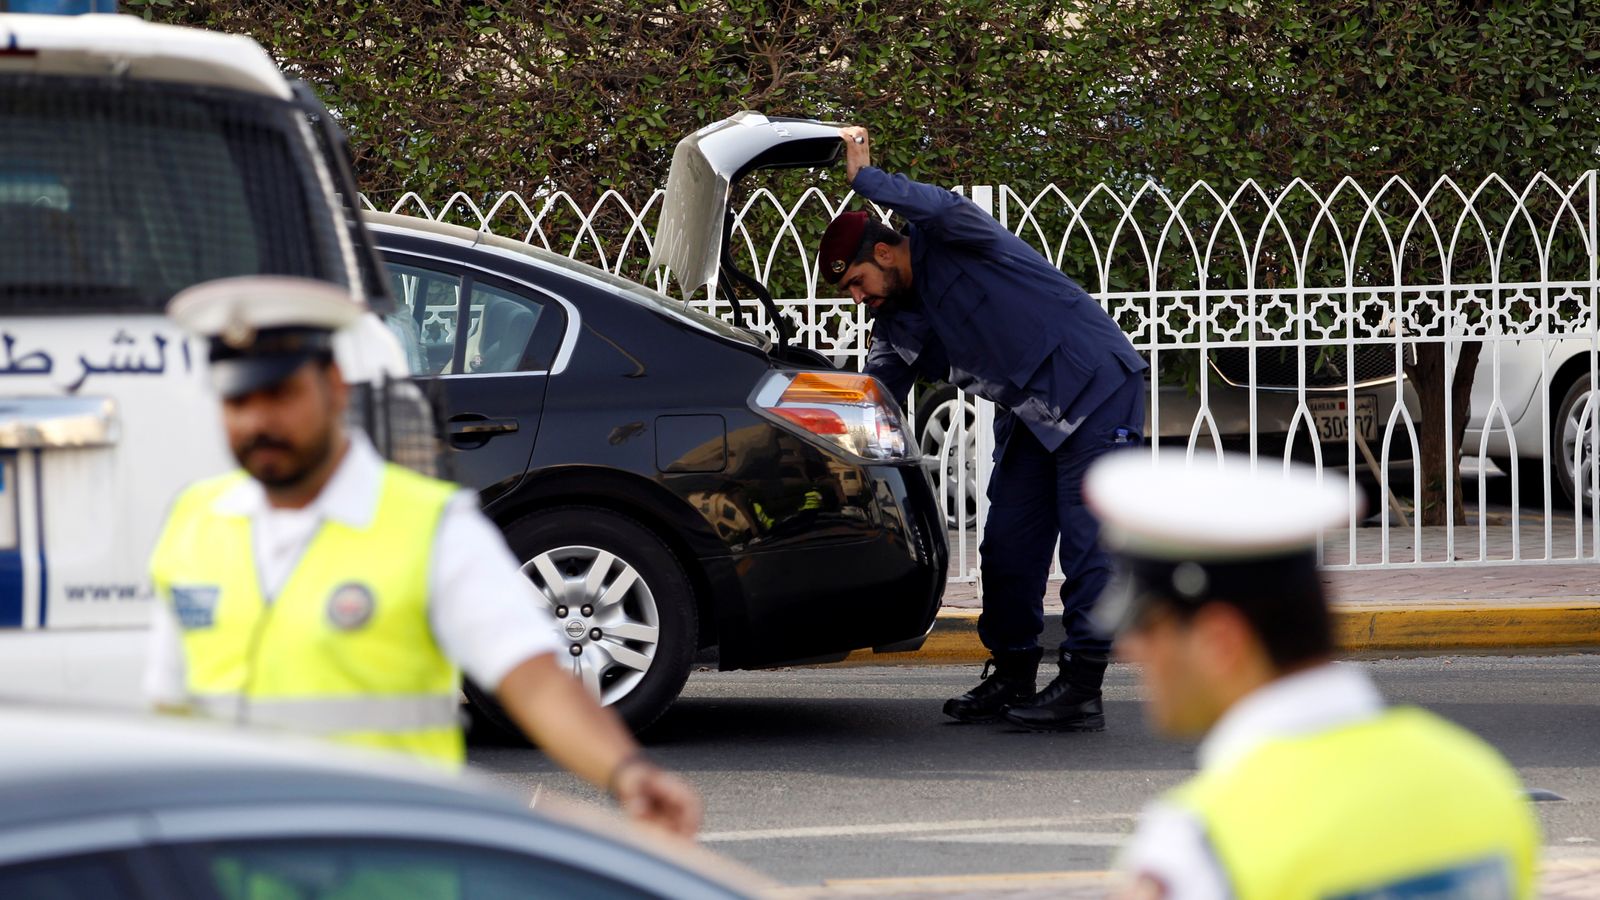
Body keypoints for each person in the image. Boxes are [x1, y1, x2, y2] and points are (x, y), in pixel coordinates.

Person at [143, 276, 701, 837]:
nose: (259, 422)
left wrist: (625, 773)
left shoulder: (431, 527)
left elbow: (532, 679)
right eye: (238, 401)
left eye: (281, 395)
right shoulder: (195, 522)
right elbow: (169, 716)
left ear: (336, 387)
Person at [1086, 453, 1540, 899]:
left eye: (1147, 627)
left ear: (1219, 641)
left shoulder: (1197, 849)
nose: (1130, 650)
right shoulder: (1480, 780)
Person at [817, 126, 1148, 731]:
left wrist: (866, 179)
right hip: (1035, 415)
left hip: (1095, 388)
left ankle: (1081, 686)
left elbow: (937, 202)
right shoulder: (898, 317)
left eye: (856, 283)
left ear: (884, 253)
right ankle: (1014, 669)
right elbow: (877, 390)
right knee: (1007, 548)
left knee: (1086, 546)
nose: (859, 299)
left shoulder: (954, 237)